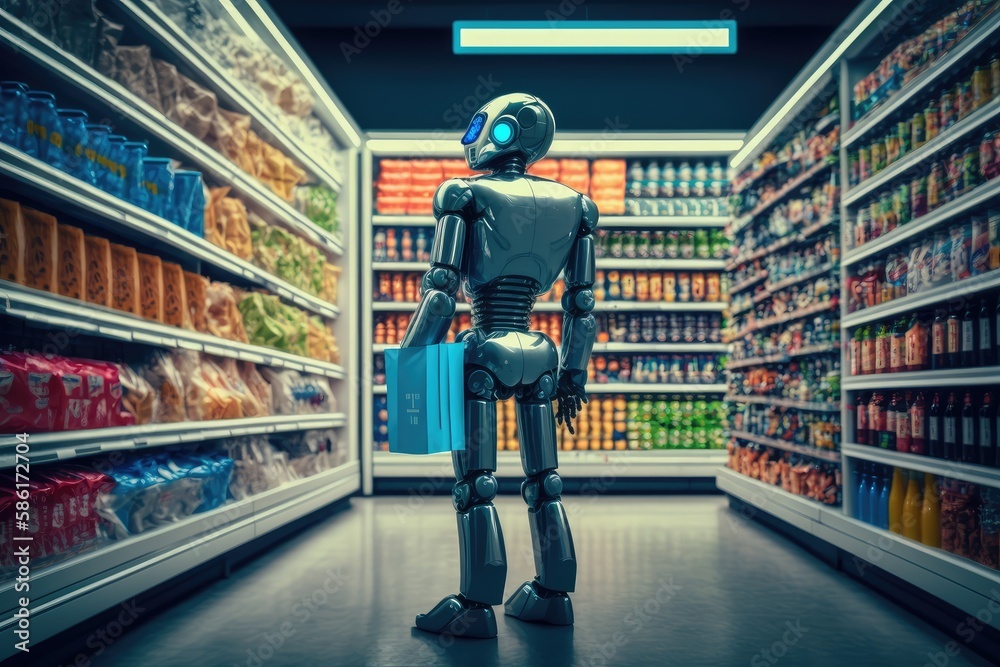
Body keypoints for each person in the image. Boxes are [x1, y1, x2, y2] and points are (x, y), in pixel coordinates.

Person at [399, 92, 599, 639]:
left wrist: (412, 362)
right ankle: (553, 593)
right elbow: (581, 304)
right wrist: (573, 374)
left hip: (484, 348)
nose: (472, 140)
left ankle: (475, 604)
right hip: (541, 352)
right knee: (545, 480)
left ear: (503, 131)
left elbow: (441, 291)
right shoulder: (577, 206)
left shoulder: (463, 194)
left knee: (477, 483)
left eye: (478, 128)